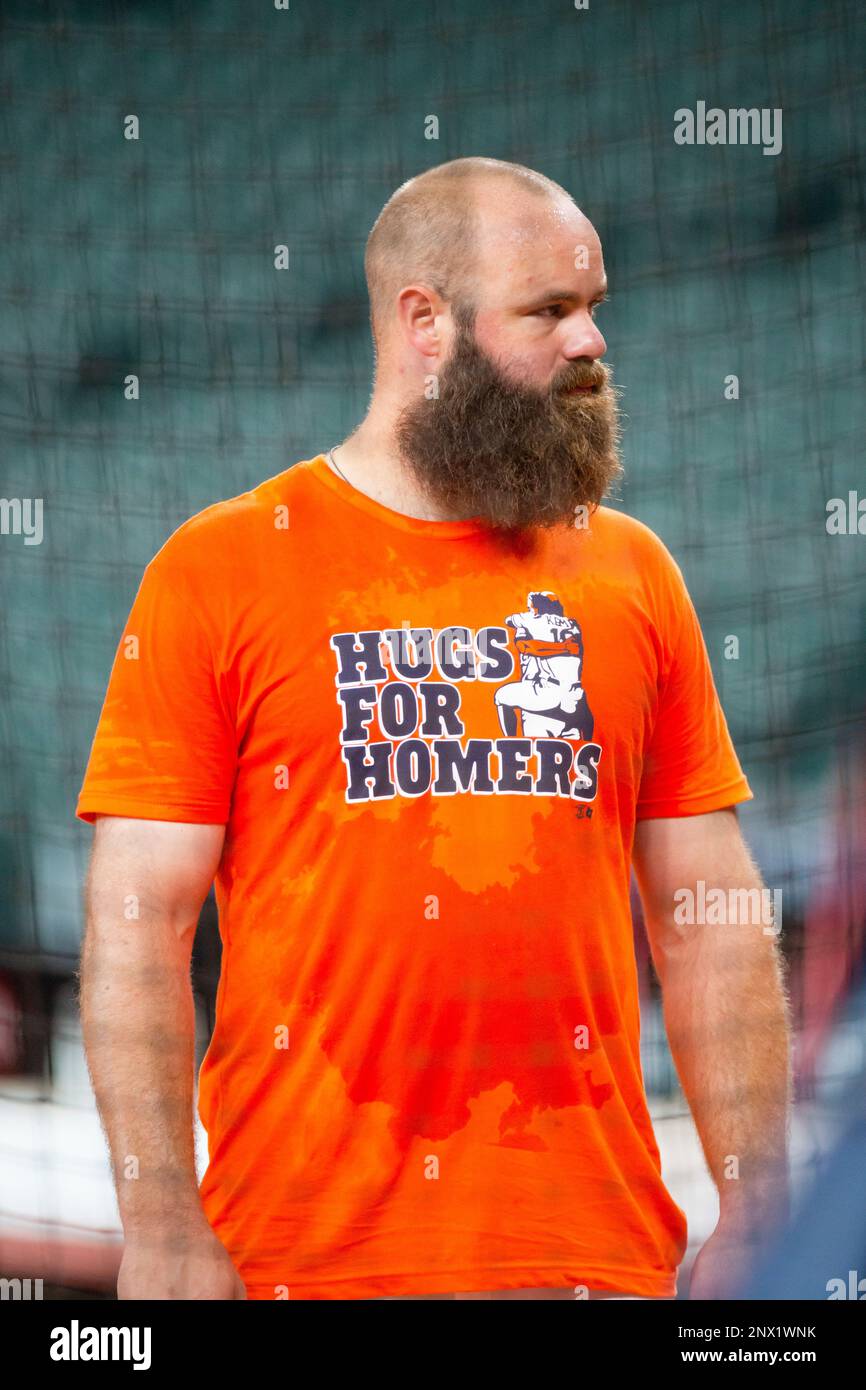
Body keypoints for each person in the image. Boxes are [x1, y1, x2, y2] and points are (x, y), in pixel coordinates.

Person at [76, 156, 790, 1301]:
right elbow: (136, 922)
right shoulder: (219, 567)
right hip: (295, 1264)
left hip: (593, 1262)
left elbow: (705, 916)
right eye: (548, 311)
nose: (590, 343)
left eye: (593, 307)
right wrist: (161, 1223)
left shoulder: (632, 571)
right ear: (425, 323)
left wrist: (761, 1212)